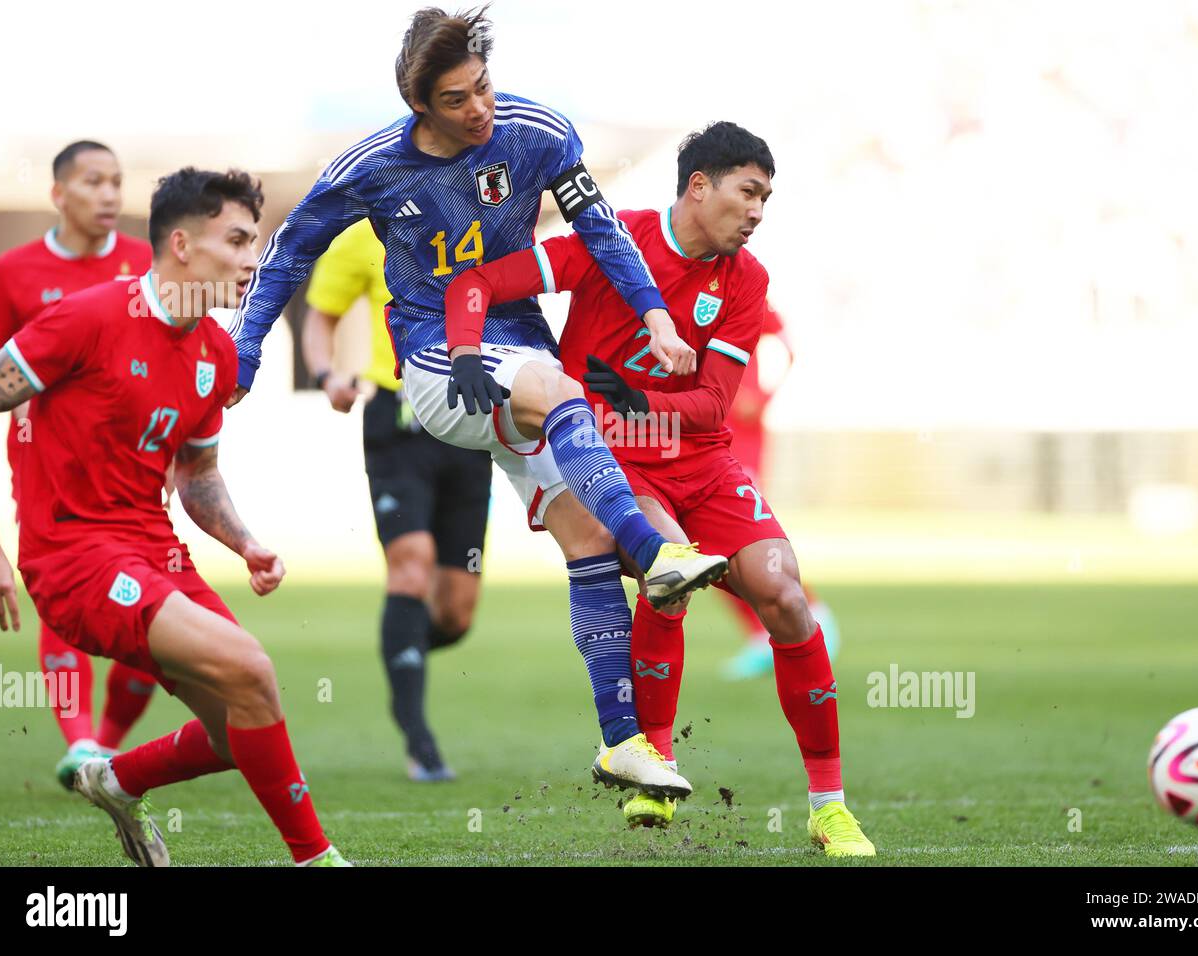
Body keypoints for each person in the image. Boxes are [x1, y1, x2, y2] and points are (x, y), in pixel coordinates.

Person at [229, 5, 724, 798]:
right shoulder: (371, 165)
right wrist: (248, 343)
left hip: (520, 343)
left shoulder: (538, 133)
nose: (480, 108)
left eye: (483, 86)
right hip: (434, 361)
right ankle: (660, 555)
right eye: (457, 98)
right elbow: (294, 249)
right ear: (419, 105)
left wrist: (657, 317)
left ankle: (621, 740)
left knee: (589, 540)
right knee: (561, 400)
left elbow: (600, 232)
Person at [442, 122, 876, 857]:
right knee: (665, 565)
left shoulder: (748, 281)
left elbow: (712, 405)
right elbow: (480, 279)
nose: (758, 211)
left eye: (767, 197)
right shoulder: (615, 240)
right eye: (748, 192)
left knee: (787, 595)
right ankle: (655, 764)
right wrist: (462, 348)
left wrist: (632, 404)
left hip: (703, 462)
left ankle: (829, 807)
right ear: (698, 187)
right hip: (619, 465)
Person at [0, 167, 349, 867]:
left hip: (155, 553)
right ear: (182, 243)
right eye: (237, 241)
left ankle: (114, 779)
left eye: (255, 243)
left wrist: (245, 543)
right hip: (72, 558)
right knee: (253, 667)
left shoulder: (215, 351)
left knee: (240, 725)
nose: (251, 260)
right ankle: (316, 858)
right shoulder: (89, 317)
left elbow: (198, 472)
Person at [0, 140, 160, 787]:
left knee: (154, 616)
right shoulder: (14, 273)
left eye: (117, 181)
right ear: (59, 193)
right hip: (48, 473)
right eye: (93, 182)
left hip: (136, 474)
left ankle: (103, 747)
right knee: (67, 602)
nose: (110, 194)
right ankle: (80, 742)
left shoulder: (145, 264)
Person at [302, 219, 492, 781]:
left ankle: (399, 650)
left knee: (456, 614)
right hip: (396, 422)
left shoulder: (482, 215)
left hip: (467, 415)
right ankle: (419, 740)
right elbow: (321, 318)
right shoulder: (359, 235)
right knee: (410, 567)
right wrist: (325, 373)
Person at [718, 303, 840, 681]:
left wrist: (764, 396)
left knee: (742, 533)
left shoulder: (740, 285)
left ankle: (813, 614)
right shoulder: (678, 284)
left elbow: (788, 344)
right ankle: (761, 633)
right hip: (704, 426)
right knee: (707, 547)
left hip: (741, 436)